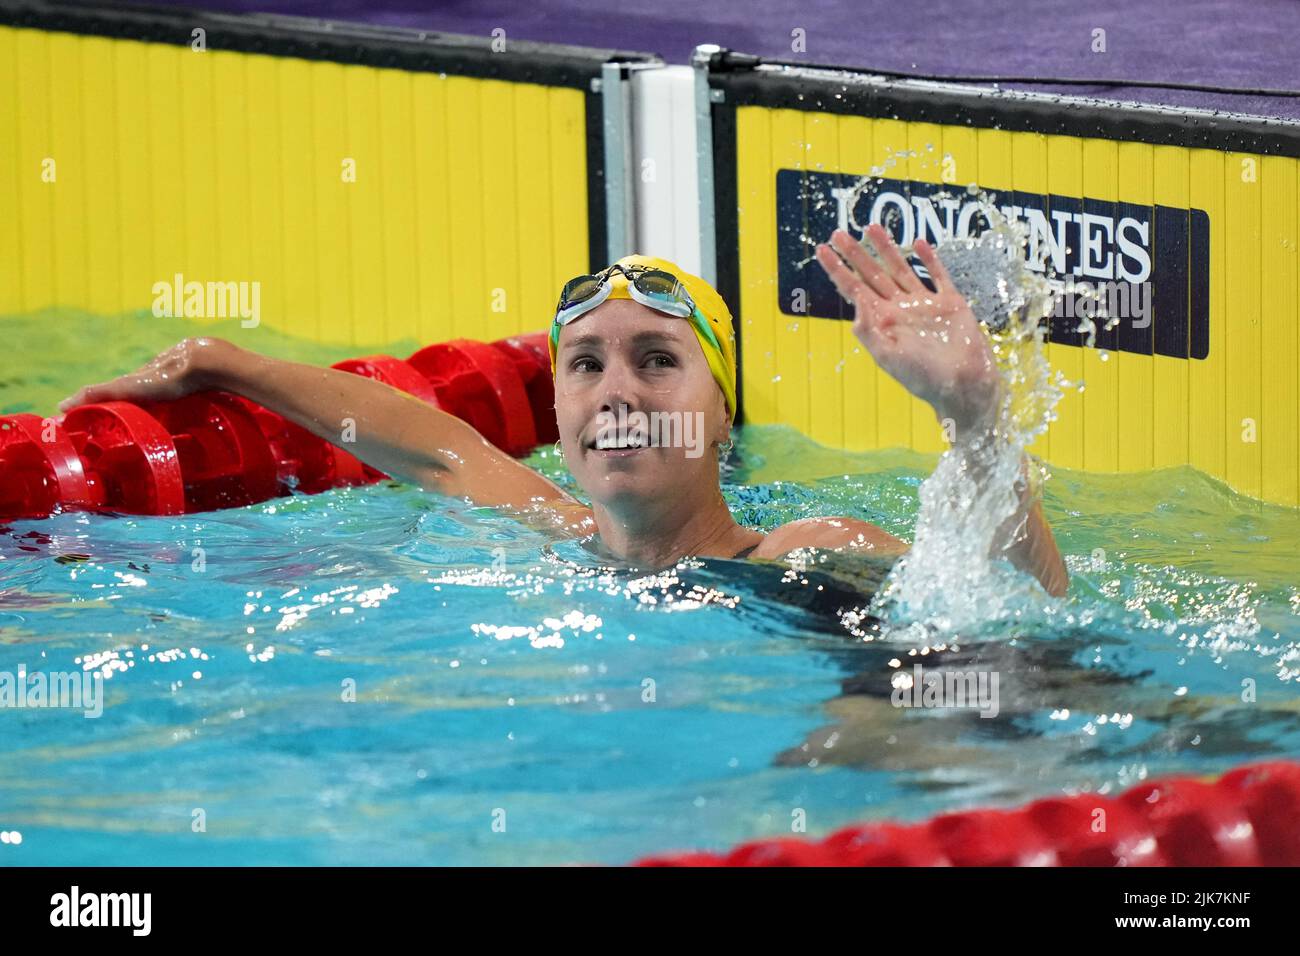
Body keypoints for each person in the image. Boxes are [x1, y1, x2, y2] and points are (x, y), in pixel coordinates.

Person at [58, 225, 1068, 595]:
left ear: (722, 419)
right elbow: (443, 448)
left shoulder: (802, 551)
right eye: (584, 365)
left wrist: (974, 420)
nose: (617, 392)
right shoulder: (562, 537)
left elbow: (1026, 612)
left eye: (657, 360)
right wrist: (230, 363)